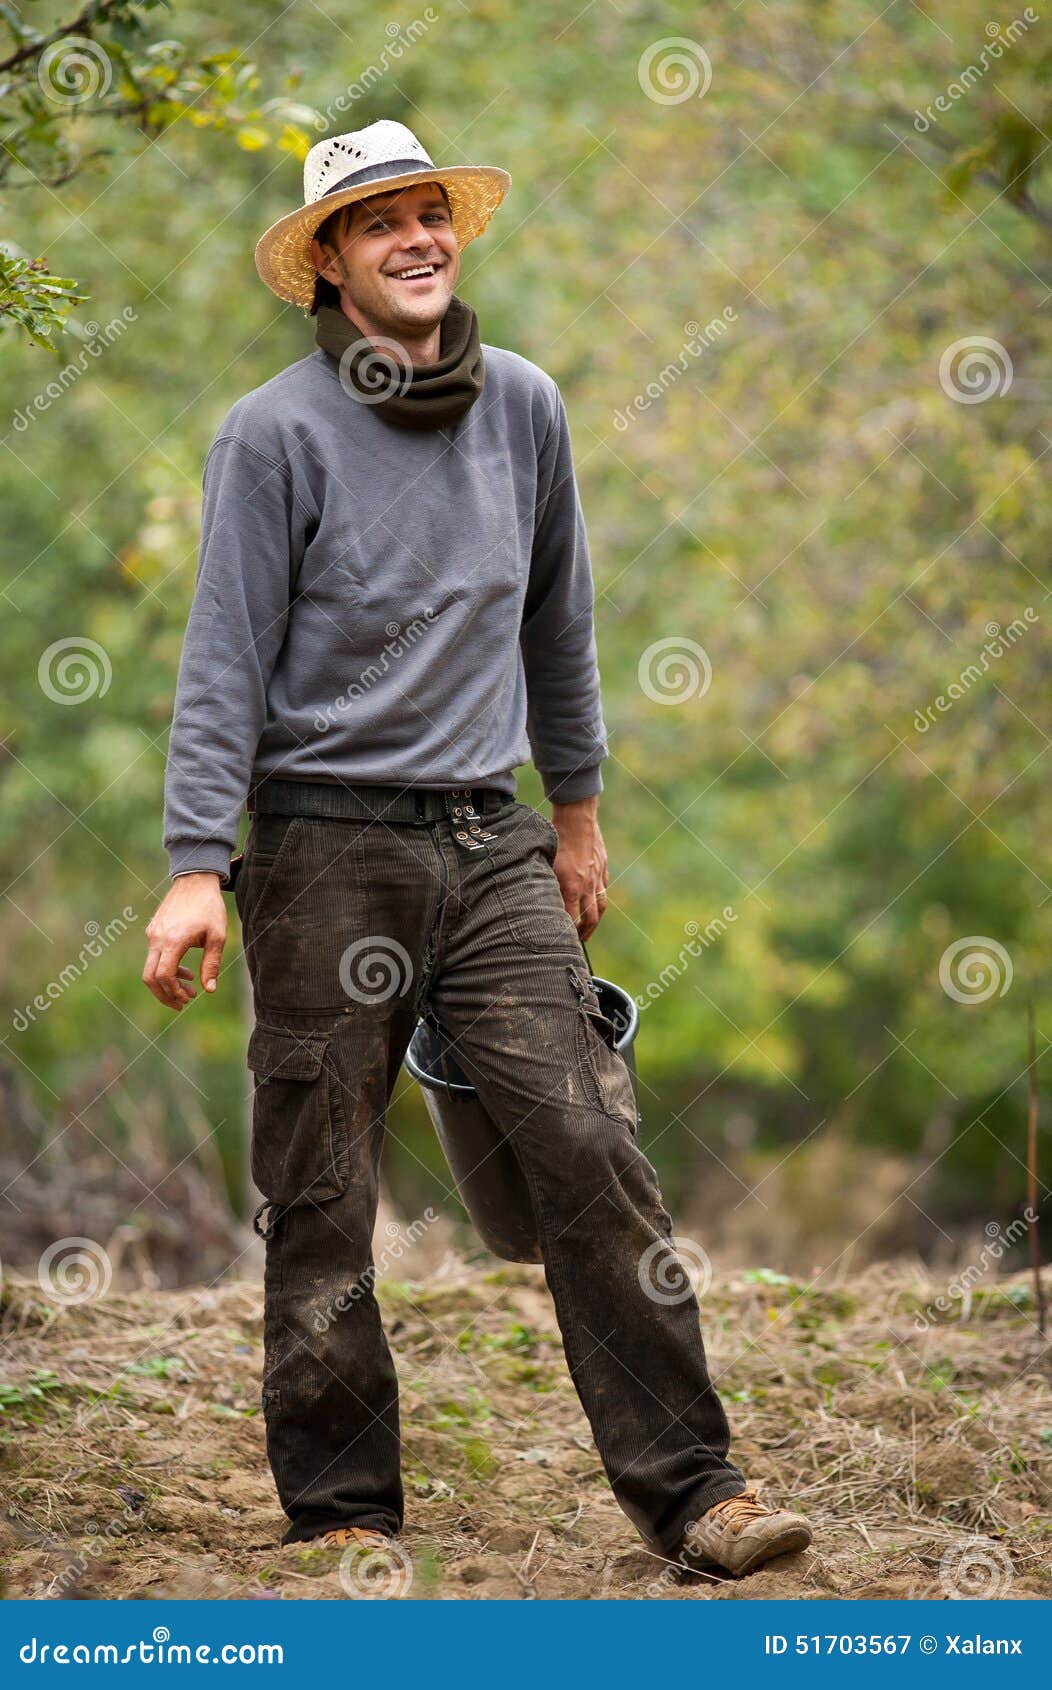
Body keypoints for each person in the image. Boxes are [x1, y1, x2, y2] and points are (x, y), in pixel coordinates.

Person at [142, 119, 812, 1579]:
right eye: (380, 223)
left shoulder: (525, 408)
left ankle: (698, 1490)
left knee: (589, 1139)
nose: (417, 238)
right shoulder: (272, 435)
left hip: (490, 839)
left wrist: (576, 811)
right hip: (323, 846)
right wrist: (200, 859)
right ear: (328, 261)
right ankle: (344, 1508)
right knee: (319, 1184)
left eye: (431, 211)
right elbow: (222, 661)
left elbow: (557, 624)